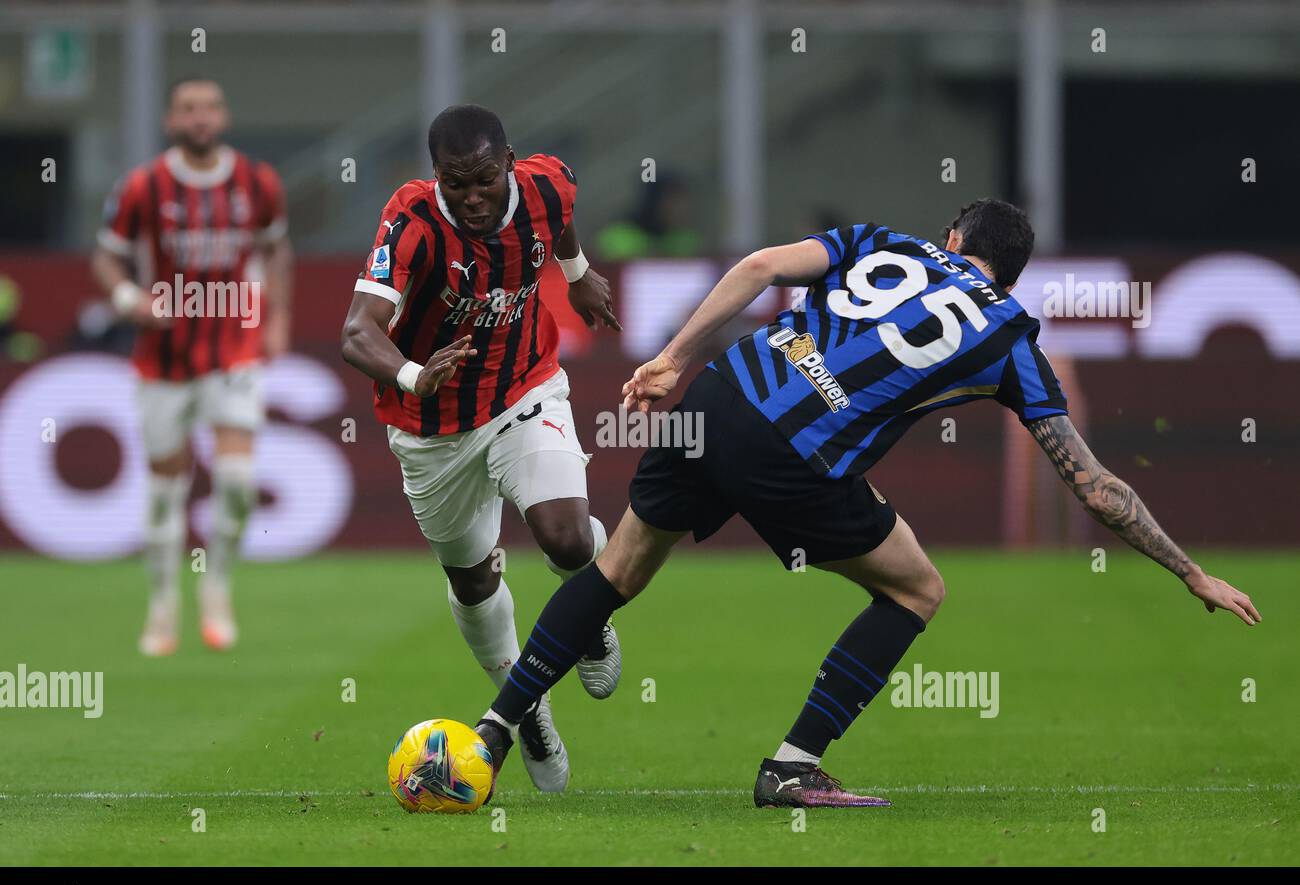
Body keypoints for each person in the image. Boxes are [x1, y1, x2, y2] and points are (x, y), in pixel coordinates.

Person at [470, 199, 1261, 807]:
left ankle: (493, 734)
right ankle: (792, 767)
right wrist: (1190, 573)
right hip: (793, 455)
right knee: (918, 587)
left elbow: (757, 268)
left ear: (953, 238)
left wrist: (673, 358)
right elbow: (1094, 486)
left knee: (619, 567)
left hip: (719, 396)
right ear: (1011, 276)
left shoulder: (888, 242)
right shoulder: (1012, 339)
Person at [340, 105, 622, 793]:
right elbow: (357, 332)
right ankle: (529, 710)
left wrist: (577, 270)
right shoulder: (411, 223)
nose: (471, 196)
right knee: (472, 579)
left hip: (524, 390)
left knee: (563, 537)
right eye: (454, 182)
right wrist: (414, 373)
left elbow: (561, 219)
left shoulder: (548, 185)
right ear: (436, 176)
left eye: (484, 180)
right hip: (431, 427)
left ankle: (588, 623)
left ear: (509, 163)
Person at [91, 77, 293, 657]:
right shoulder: (142, 186)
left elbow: (277, 249)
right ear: (169, 121)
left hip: (233, 349)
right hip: (162, 359)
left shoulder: (257, 182)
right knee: (163, 492)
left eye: (208, 107)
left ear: (223, 117)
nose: (199, 117)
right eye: (187, 109)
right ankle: (161, 605)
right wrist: (131, 300)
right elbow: (106, 254)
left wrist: (277, 319)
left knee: (236, 484)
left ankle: (217, 586)